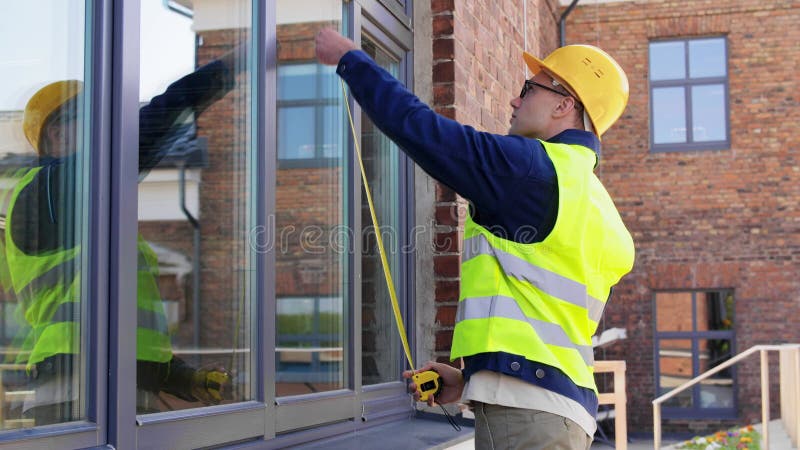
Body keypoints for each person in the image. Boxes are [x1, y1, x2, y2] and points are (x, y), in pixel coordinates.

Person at [315, 28, 634, 449]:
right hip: (558, 413)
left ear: (564, 104)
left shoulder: (534, 172)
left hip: (527, 419)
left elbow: (424, 131)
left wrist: (350, 60)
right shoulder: (596, 202)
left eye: (528, 89)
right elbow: (540, 315)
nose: (514, 101)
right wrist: (470, 381)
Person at [5, 43, 246, 424]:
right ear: (57, 135)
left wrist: (184, 377)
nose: (107, 129)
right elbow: (155, 122)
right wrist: (227, 69)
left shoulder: (93, 218)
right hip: (75, 391)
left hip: (116, 392)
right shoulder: (48, 187)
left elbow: (123, 329)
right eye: (90, 117)